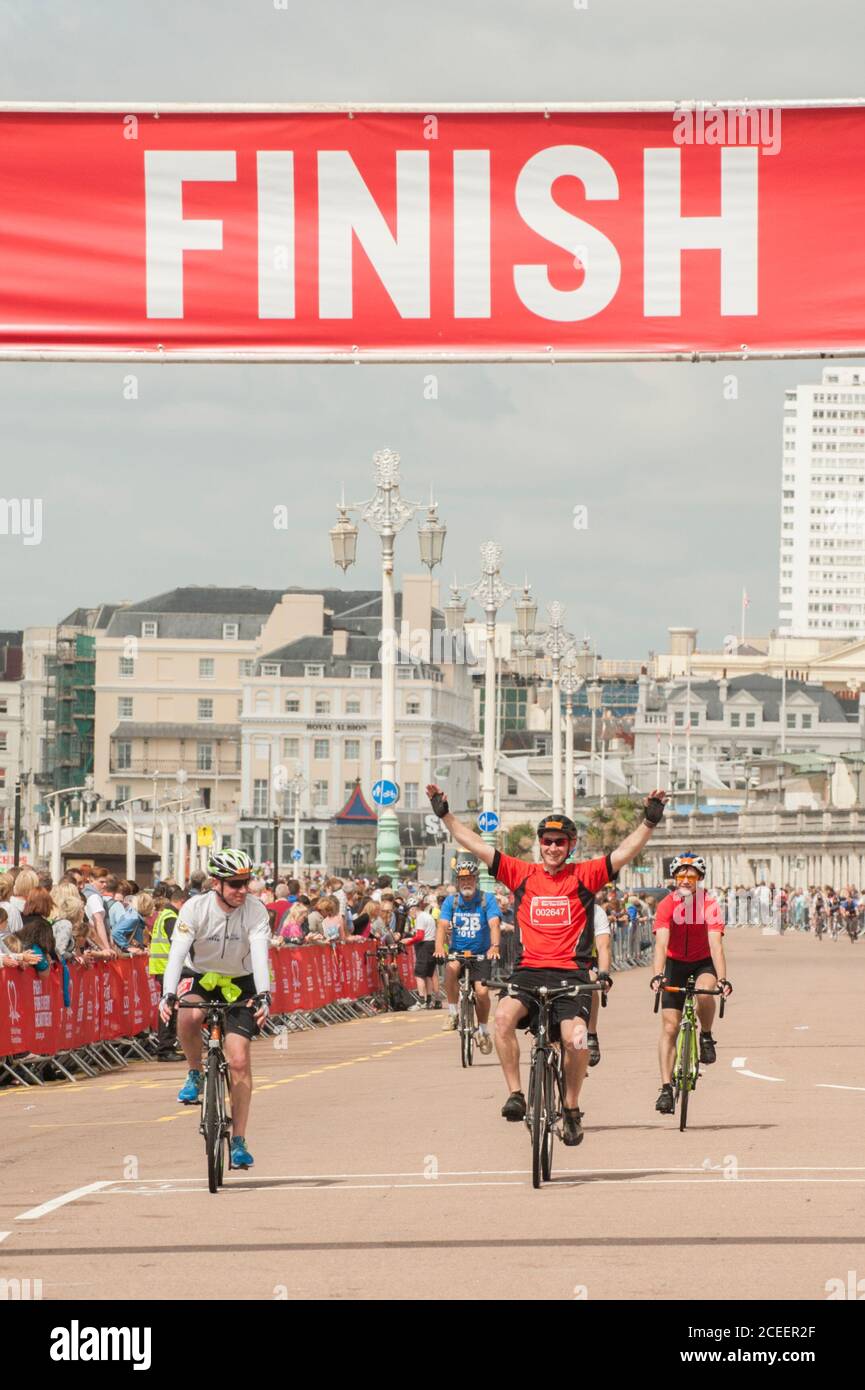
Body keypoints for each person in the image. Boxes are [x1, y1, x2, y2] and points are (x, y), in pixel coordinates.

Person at [427, 784, 666, 1146]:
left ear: (571, 846)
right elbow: (476, 844)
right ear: (540, 844)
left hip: (571, 975)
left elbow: (622, 853)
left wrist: (649, 820)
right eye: (547, 841)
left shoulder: (584, 875)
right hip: (528, 972)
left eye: (560, 842)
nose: (553, 847)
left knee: (576, 1039)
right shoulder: (520, 873)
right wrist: (444, 814)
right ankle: (516, 1095)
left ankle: (571, 1107)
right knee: (502, 1019)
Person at [159, 849, 271, 1169]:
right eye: (235, 883)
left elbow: (261, 955)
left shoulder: (255, 911)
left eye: (246, 882)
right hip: (200, 976)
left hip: (241, 979)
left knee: (238, 1060)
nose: (242, 889)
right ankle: (194, 1071)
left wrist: (264, 994)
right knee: (191, 1014)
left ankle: (238, 1140)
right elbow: (177, 954)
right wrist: (168, 993)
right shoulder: (195, 908)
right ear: (215, 883)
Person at [650, 851, 733, 1115]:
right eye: (681, 876)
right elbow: (661, 943)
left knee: (706, 992)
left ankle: (706, 1036)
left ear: (699, 879)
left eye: (691, 876)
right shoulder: (666, 905)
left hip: (702, 962)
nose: (686, 880)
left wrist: (722, 978)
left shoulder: (709, 904)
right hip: (674, 964)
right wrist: (658, 973)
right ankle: (665, 1088)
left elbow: (716, 944)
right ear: (674, 878)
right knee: (670, 1028)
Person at [434, 853, 501, 1053]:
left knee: (481, 992)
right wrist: (439, 948)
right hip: (459, 952)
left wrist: (495, 946)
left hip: (481, 954)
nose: (466, 883)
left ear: (475, 880)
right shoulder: (451, 902)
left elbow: (494, 923)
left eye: (469, 879)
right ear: (458, 881)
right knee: (451, 968)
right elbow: (442, 925)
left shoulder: (486, 899)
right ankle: (453, 1013)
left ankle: (482, 1030)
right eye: (462, 879)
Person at [407, 896, 441, 1009]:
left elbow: (420, 936)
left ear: (413, 909)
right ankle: (429, 1000)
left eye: (409, 910)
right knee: (428, 974)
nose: (409, 913)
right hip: (431, 944)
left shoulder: (420, 918)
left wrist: (408, 941)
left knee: (419, 975)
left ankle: (421, 1000)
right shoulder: (428, 916)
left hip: (424, 946)